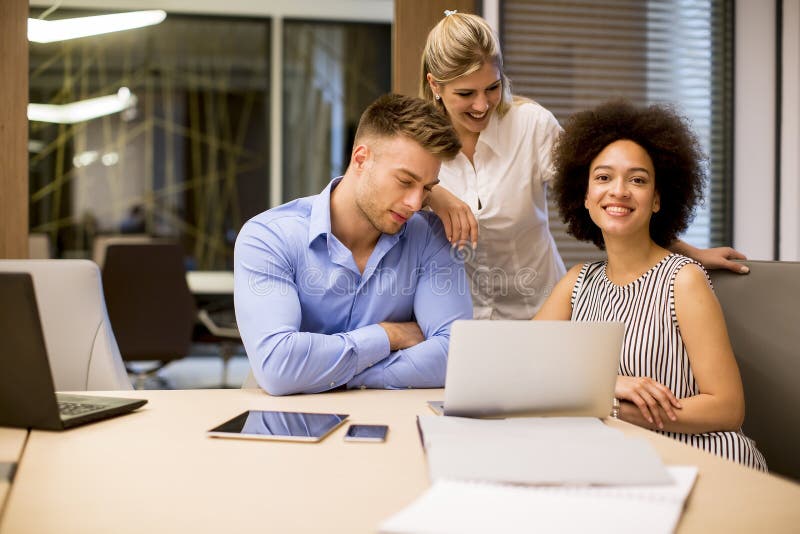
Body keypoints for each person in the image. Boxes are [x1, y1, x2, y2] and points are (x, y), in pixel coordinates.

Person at [420, 11, 749, 320]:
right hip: (462, 321)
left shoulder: (530, 125)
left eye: (492, 88)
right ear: (435, 85)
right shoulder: (420, 147)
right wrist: (432, 192)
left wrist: (687, 251)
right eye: (466, 93)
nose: (482, 105)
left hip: (543, 309)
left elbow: (604, 197)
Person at [535, 100, 766, 470]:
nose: (619, 191)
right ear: (585, 196)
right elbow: (522, 367)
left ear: (657, 199)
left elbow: (728, 408)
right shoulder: (577, 282)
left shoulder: (684, 279)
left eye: (638, 179)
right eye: (603, 177)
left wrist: (611, 407)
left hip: (701, 456)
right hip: (618, 455)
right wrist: (608, 384)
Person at [234, 94, 472, 396]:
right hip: (285, 419)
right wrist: (388, 336)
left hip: (388, 421)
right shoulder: (269, 238)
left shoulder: (429, 238)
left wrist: (331, 375)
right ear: (361, 159)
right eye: (404, 181)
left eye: (427, 189)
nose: (415, 203)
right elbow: (279, 367)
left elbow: (455, 355)